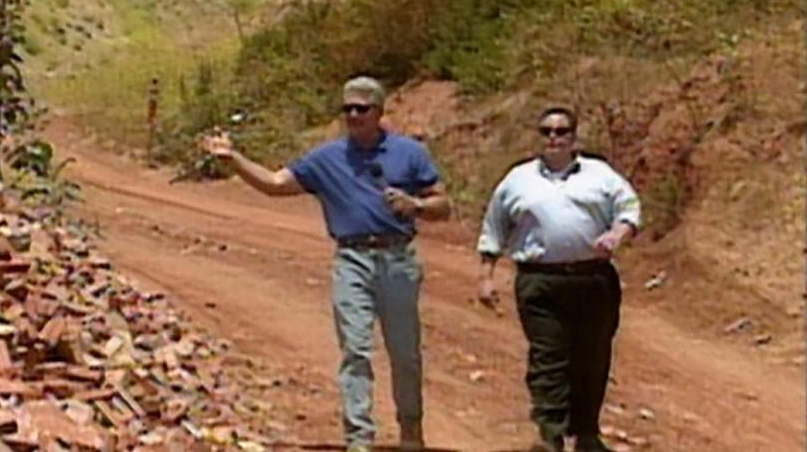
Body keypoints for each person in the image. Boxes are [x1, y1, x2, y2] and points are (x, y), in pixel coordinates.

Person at [202, 76, 450, 452]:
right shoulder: (327, 158)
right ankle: (359, 438)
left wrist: (415, 205)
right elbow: (275, 183)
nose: (354, 115)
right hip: (352, 259)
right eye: (347, 108)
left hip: (397, 259)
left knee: (405, 353)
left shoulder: (409, 153)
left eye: (361, 108)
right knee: (355, 350)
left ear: (379, 111)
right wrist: (233, 160)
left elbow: (442, 206)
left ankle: (411, 432)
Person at [474, 107, 641, 452]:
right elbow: (494, 227)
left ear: (574, 137)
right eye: (546, 131)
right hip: (540, 281)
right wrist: (486, 277)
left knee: (592, 356)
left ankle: (587, 433)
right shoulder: (518, 179)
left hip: (592, 280)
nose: (554, 138)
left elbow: (629, 209)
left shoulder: (600, 174)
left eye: (562, 131)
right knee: (548, 356)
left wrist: (616, 234)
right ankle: (550, 433)